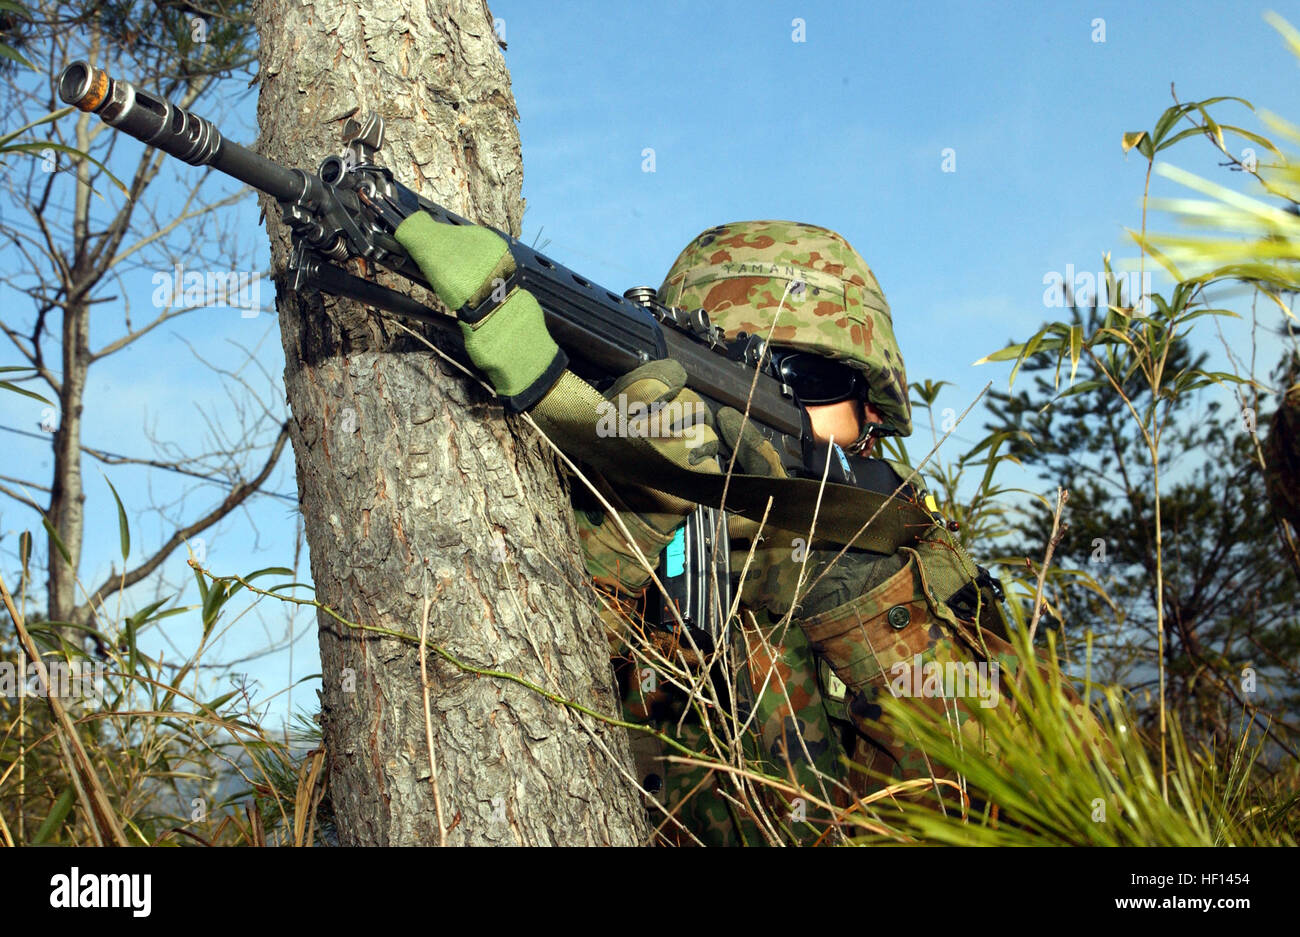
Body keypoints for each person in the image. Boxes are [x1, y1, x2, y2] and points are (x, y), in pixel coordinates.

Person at [393, 213, 1084, 845]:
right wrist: (626, 524)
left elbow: (1015, 797)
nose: (762, 411)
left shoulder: (903, 556)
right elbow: (479, 734)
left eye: (808, 379)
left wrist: (864, 600)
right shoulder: (602, 519)